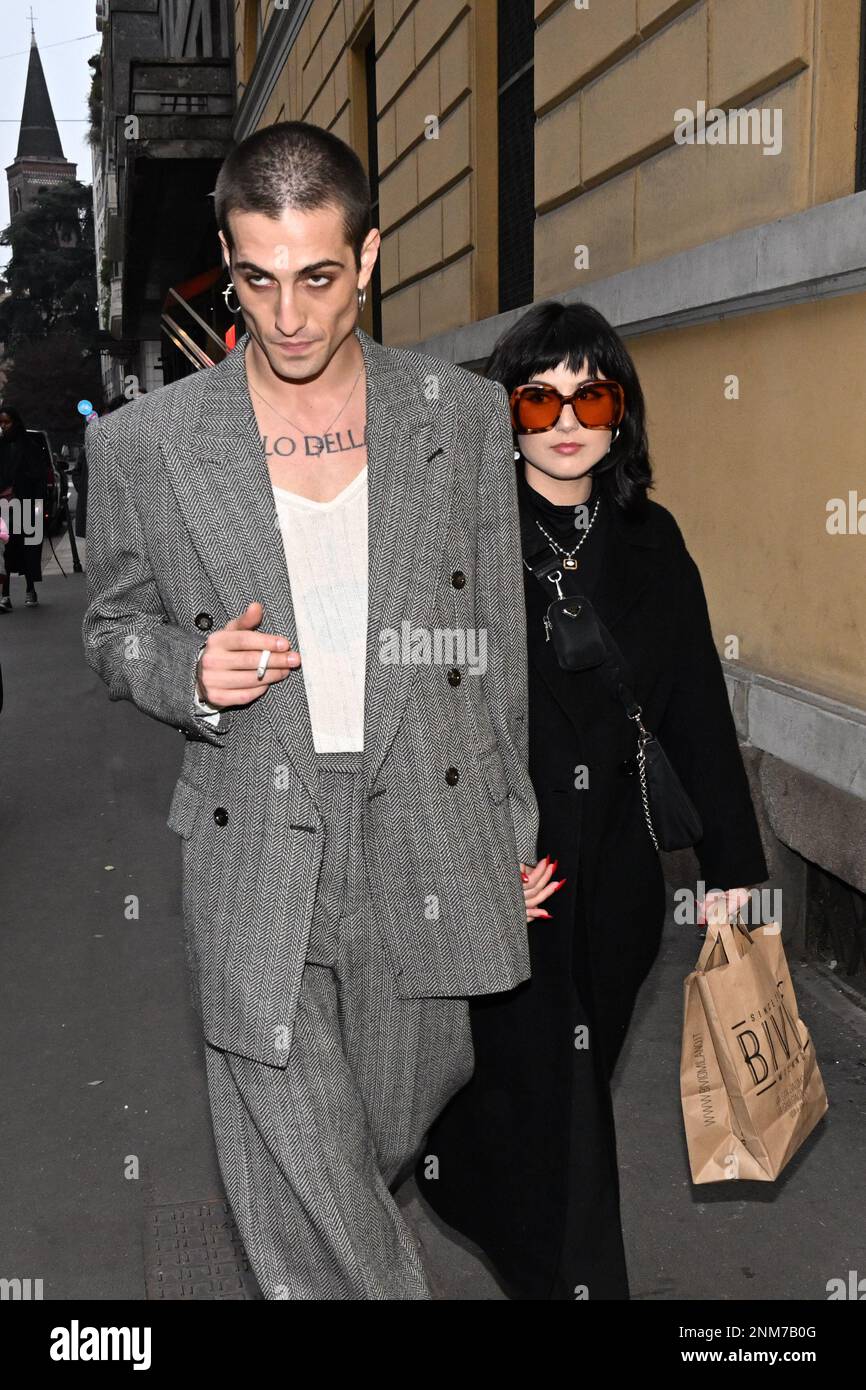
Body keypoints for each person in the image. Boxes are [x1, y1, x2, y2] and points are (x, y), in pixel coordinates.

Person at [81, 120, 540, 1300]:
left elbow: (495, 651)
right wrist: (185, 673)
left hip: (427, 835)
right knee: (295, 1151)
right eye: (256, 280)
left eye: (318, 278)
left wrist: (512, 829)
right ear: (230, 266)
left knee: (364, 1146)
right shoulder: (149, 444)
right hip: (256, 838)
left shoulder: (459, 415)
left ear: (370, 257)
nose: (287, 317)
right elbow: (112, 626)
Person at [418, 300, 769, 1300]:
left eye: (589, 395)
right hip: (510, 880)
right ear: (507, 416)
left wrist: (729, 868)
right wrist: (468, 855)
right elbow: (421, 716)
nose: (564, 419)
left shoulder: (651, 543)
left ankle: (505, 1217)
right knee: (561, 1113)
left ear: (620, 415)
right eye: (537, 400)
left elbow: (694, 702)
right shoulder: (463, 542)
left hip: (614, 881)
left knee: (555, 1096)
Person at [0, 406, 45, 610]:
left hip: (25, 503)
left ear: (15, 422)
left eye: (6, 422)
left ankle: (30, 588)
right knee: (6, 551)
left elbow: (38, 475)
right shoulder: (2, 445)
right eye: (1, 423)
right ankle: (5, 594)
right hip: (4, 505)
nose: (3, 427)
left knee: (27, 548)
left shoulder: (28, 445)